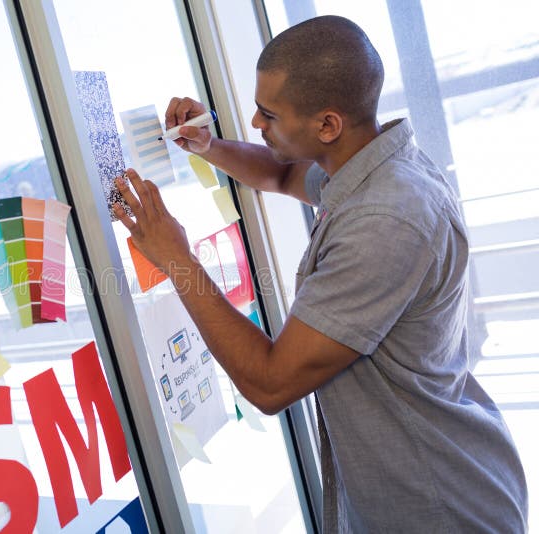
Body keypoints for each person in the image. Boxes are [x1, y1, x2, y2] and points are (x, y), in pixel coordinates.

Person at [112, 15, 528, 533]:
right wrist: (207, 146)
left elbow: (269, 384)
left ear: (327, 125)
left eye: (268, 114)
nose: (256, 124)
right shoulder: (368, 163)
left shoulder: (384, 220)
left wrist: (174, 258)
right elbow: (281, 172)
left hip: (440, 506)